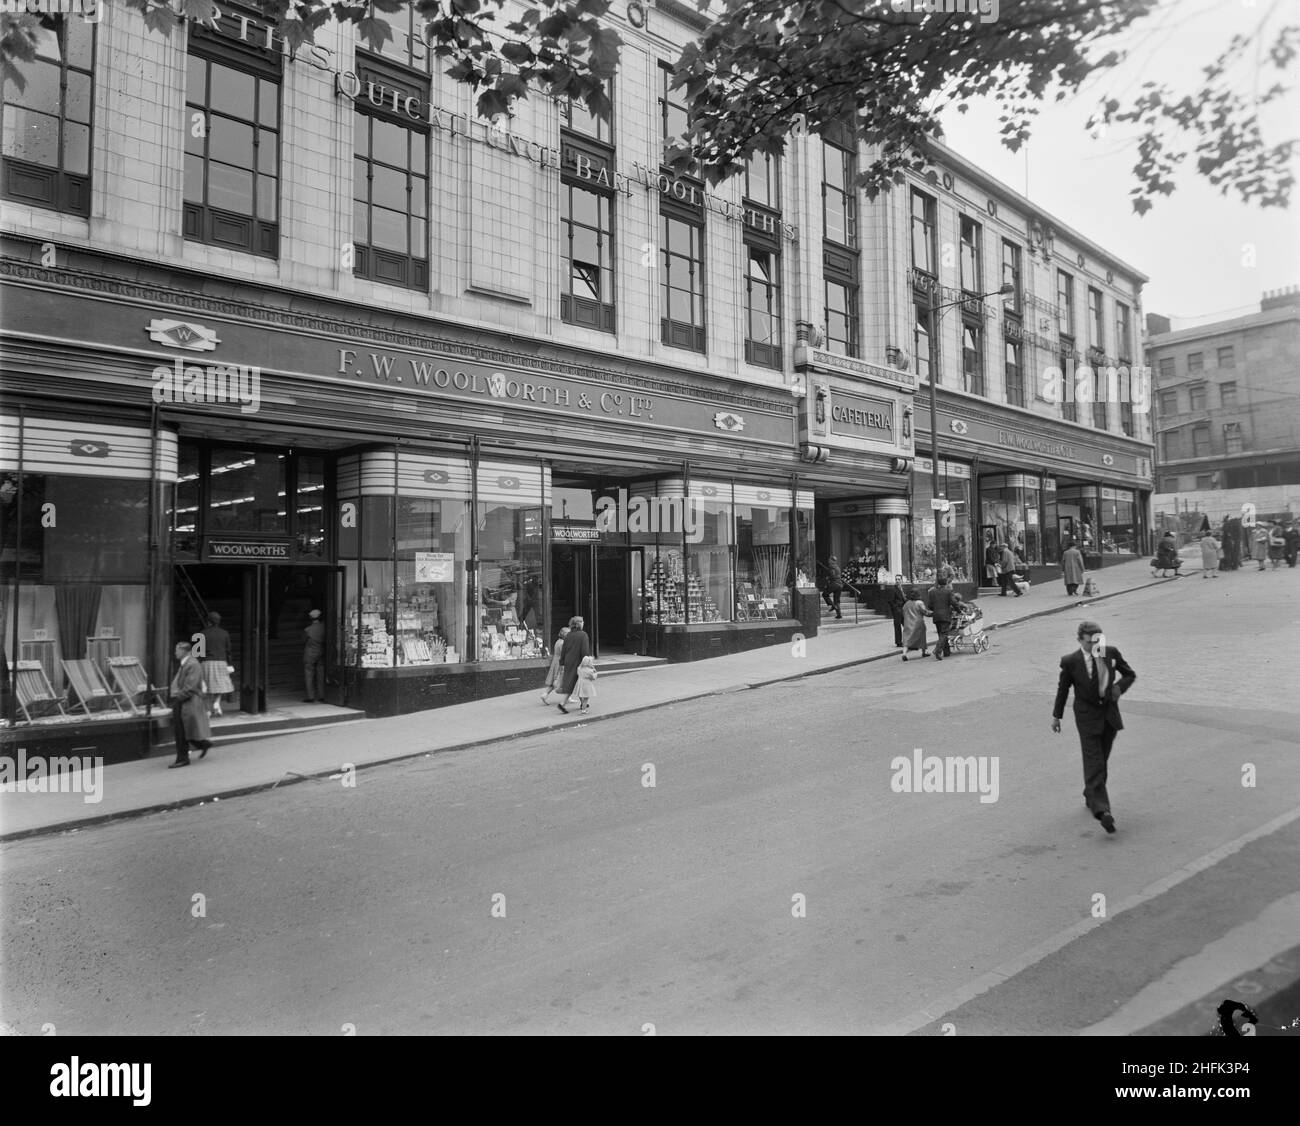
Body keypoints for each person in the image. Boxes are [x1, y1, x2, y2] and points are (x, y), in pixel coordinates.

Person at [1051, 620, 1137, 834]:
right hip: (1086, 717)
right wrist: (1057, 716)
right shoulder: (1071, 661)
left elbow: (1129, 674)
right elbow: (1063, 690)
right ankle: (1102, 811)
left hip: (1109, 716)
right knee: (1094, 761)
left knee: (1102, 759)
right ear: (1080, 640)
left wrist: (1119, 688)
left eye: (1098, 640)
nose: (1095, 645)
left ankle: (1092, 794)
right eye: (1090, 642)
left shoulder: (1111, 653)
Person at [168, 641, 212, 768]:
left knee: (182, 731)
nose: (175, 652)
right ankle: (202, 745)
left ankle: (183, 758)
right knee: (183, 730)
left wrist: (178, 699)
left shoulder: (192, 664)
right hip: (185, 700)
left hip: (187, 701)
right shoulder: (187, 664)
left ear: (184, 651)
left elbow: (190, 686)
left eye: (177, 650)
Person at [555, 615, 591, 715]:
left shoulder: (568, 635)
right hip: (579, 662)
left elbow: (564, 651)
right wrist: (587, 663)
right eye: (582, 622)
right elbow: (585, 651)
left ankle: (582, 703)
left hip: (568, 662)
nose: (583, 623)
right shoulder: (583, 635)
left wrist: (562, 663)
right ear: (579, 624)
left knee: (573, 682)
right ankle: (563, 704)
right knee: (580, 683)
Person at [200, 611, 233, 717]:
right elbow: (229, 651)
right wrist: (230, 664)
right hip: (221, 662)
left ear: (208, 621)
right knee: (220, 685)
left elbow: (197, 652)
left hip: (207, 662)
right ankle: (217, 703)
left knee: (206, 686)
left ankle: (207, 710)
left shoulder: (201, 633)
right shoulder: (225, 633)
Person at [925, 575, 963, 661]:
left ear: (938, 583)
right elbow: (954, 603)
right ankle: (938, 650)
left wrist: (935, 609)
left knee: (940, 633)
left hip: (936, 616)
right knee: (944, 633)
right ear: (946, 583)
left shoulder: (932, 592)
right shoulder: (948, 591)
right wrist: (959, 611)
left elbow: (929, 605)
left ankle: (946, 651)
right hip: (945, 615)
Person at [540, 625, 570, 704]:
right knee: (564, 680)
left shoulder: (558, 641)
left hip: (555, 661)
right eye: (568, 634)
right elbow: (565, 654)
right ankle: (568, 697)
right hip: (560, 663)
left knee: (554, 681)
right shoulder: (563, 643)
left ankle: (545, 694)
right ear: (565, 634)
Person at [900, 588, 930, 661]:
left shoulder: (907, 603)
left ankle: (904, 653)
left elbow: (903, 611)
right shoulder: (919, 602)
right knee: (922, 637)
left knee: (906, 639)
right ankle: (924, 651)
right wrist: (931, 613)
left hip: (908, 623)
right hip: (918, 622)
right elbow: (925, 612)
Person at [303, 608, 326, 702]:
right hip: (321, 651)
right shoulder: (324, 627)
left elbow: (303, 640)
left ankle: (310, 696)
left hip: (310, 652)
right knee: (321, 673)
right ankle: (322, 695)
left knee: (309, 673)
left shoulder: (308, 630)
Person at [886, 574, 908, 648]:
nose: (897, 581)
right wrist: (895, 609)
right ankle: (898, 642)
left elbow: (904, 598)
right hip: (898, 611)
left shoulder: (902, 588)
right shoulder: (893, 589)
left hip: (903, 610)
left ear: (901, 580)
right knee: (897, 627)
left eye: (899, 579)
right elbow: (891, 601)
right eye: (896, 579)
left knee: (907, 626)